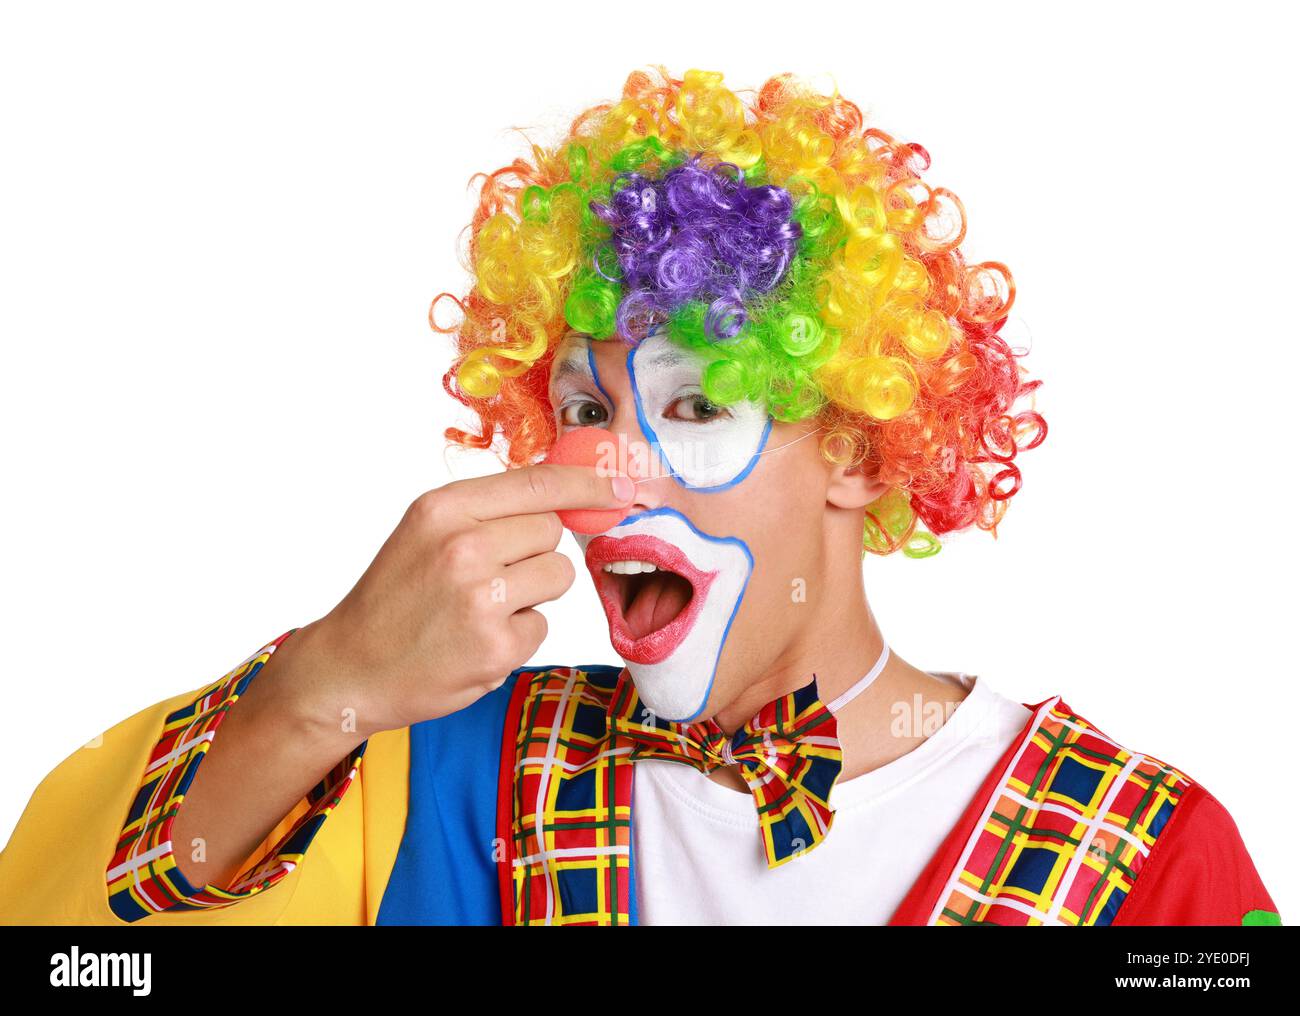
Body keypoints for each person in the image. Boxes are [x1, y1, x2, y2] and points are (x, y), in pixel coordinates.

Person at [0, 66, 1278, 927]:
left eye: (695, 407)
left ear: (859, 453)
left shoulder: (1144, 858)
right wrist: (317, 685)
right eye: (584, 406)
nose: (607, 479)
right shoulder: (430, 763)